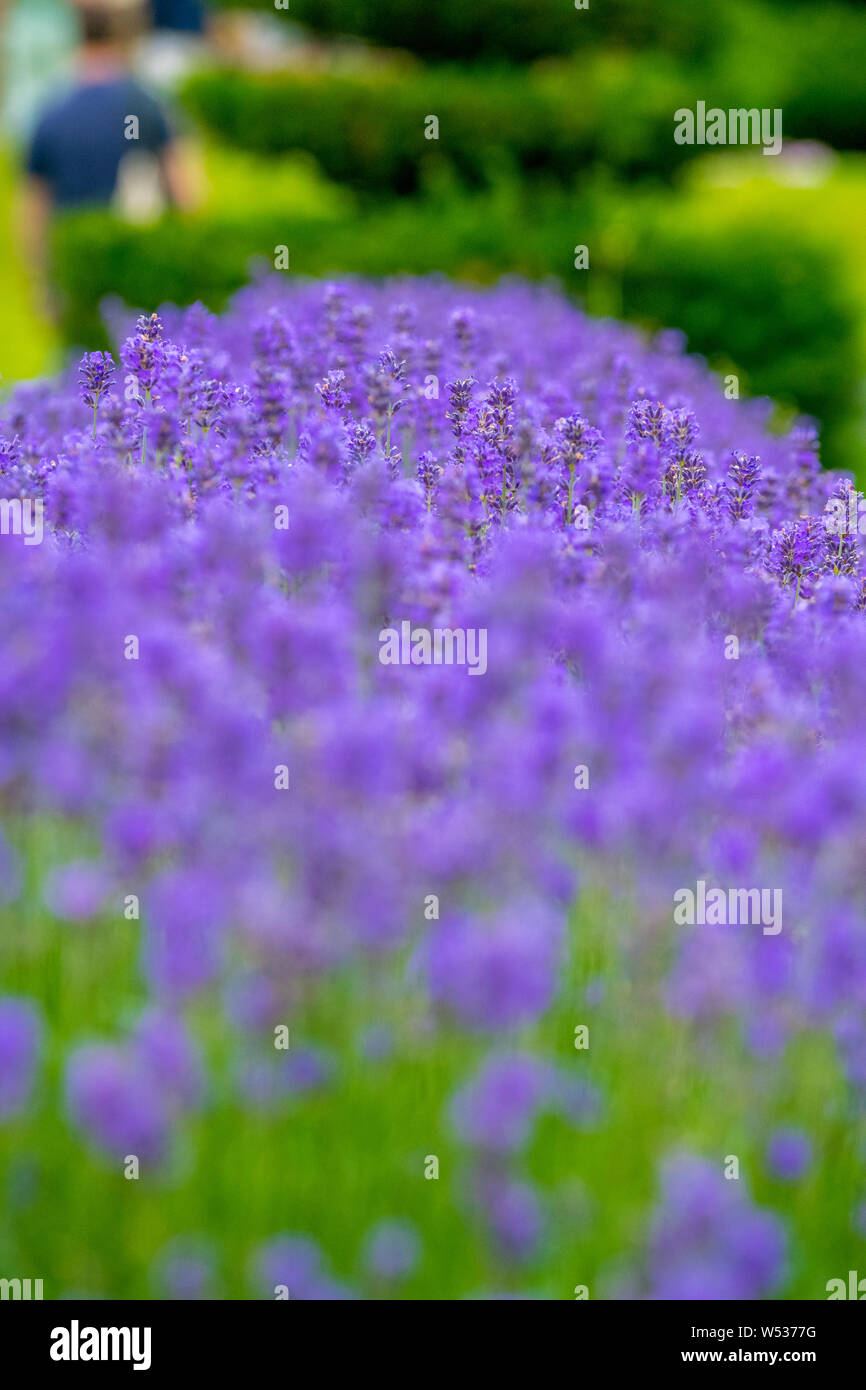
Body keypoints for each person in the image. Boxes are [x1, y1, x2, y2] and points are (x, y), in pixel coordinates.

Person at [22, 0, 196, 292]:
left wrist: (43, 284)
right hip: (142, 266)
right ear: (120, 36)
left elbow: (34, 211)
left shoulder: (51, 112)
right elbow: (186, 194)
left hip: (77, 273)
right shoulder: (149, 104)